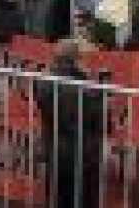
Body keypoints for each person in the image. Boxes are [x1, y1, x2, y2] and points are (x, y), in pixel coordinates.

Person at [37, 34, 106, 206]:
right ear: (76, 60)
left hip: (56, 150)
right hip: (81, 154)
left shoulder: (45, 80)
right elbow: (93, 119)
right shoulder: (82, 90)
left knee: (58, 196)